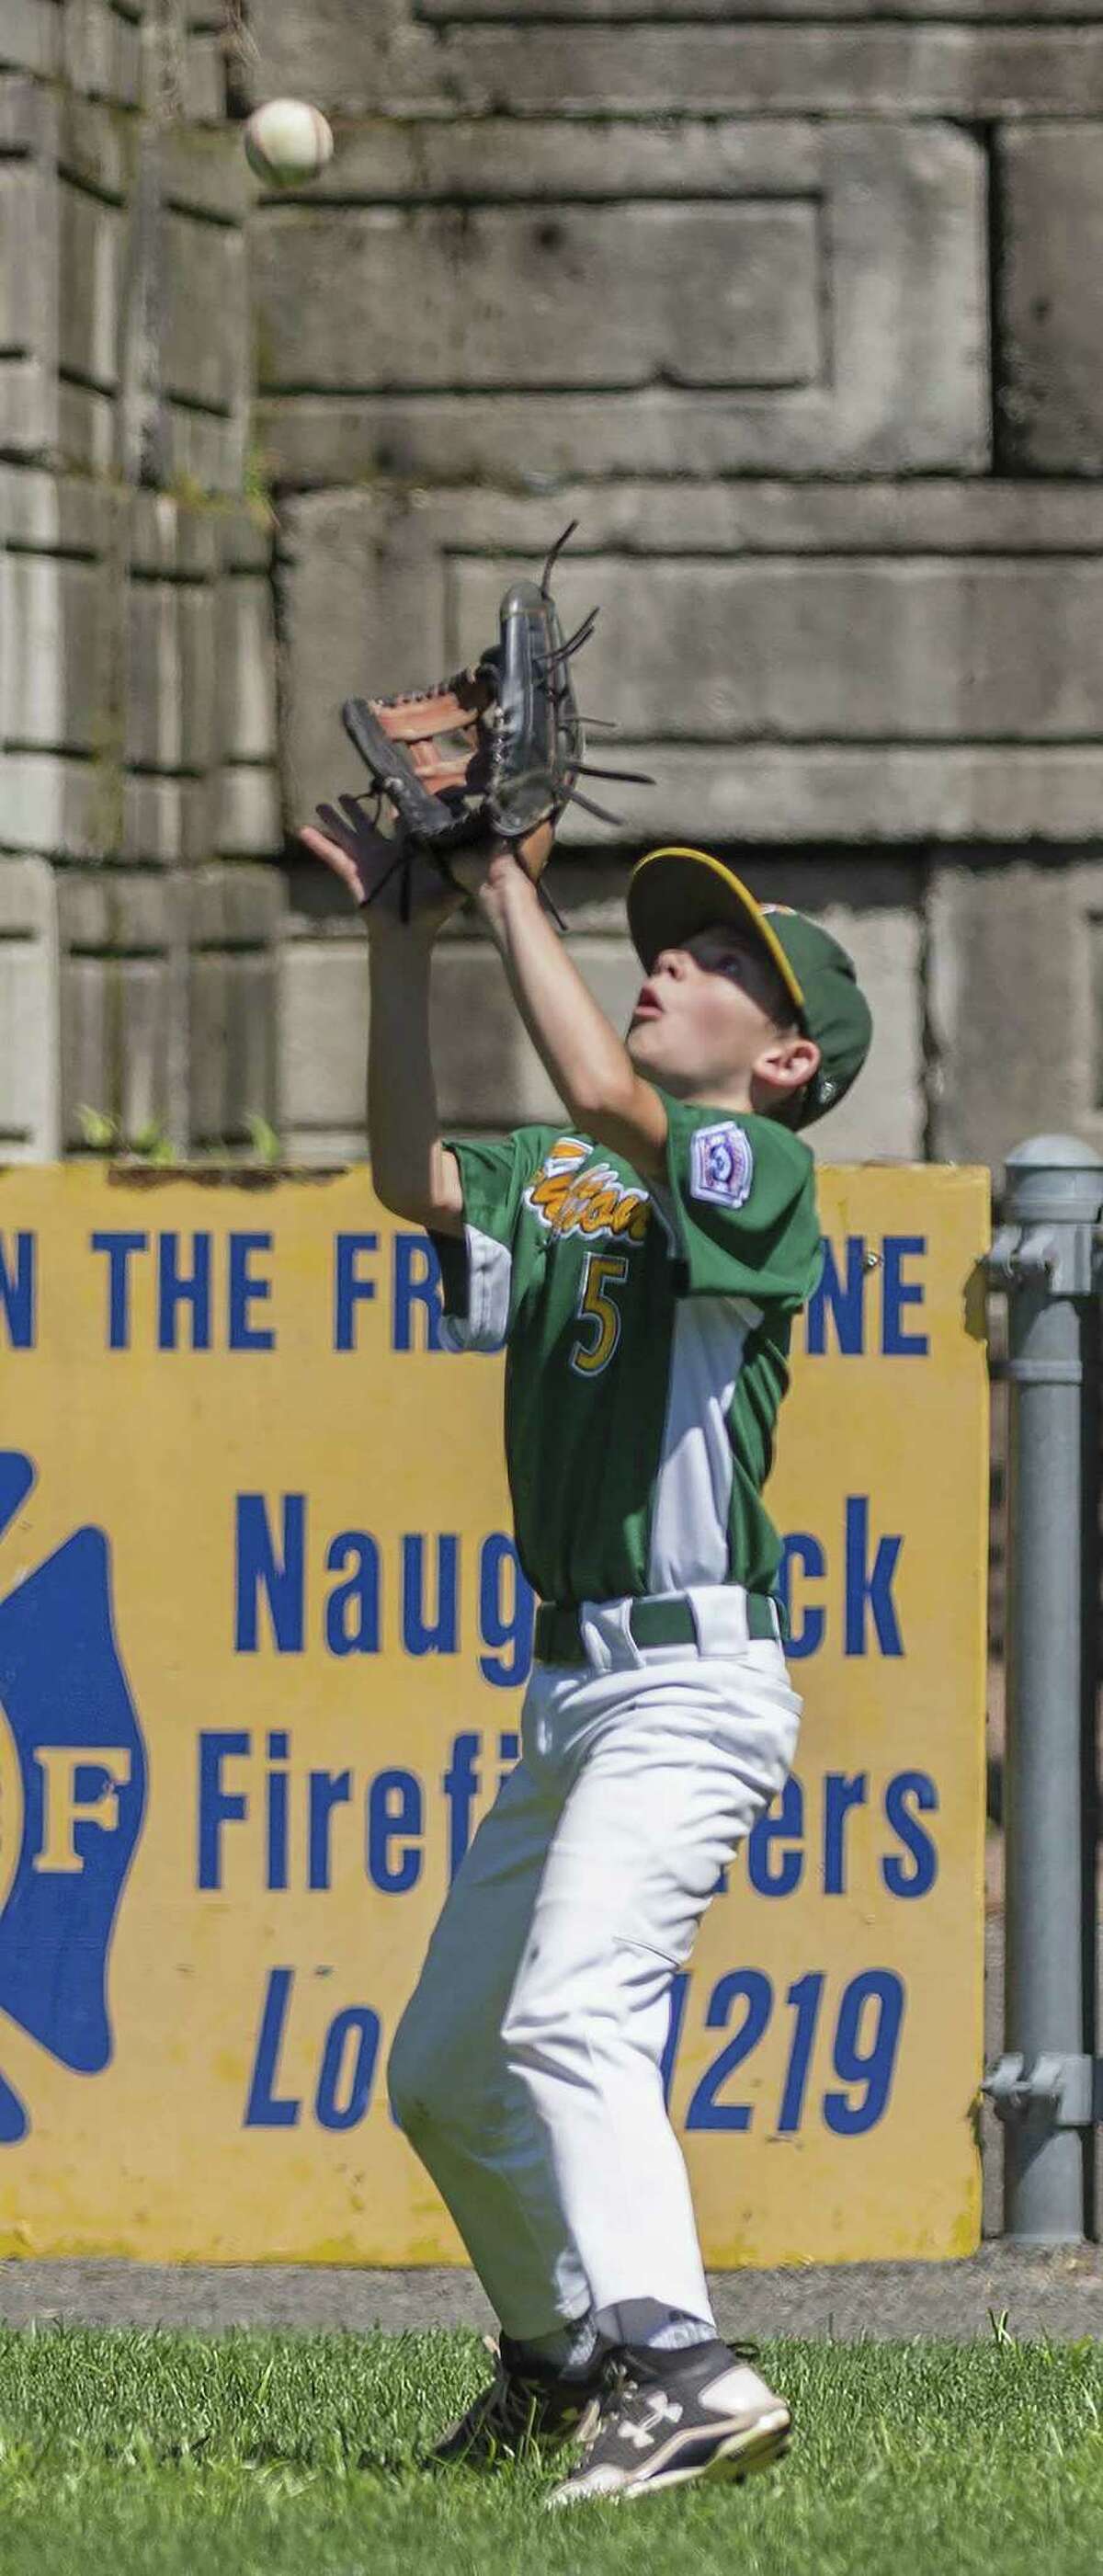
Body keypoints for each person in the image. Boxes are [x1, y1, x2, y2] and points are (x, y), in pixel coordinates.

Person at [300, 809, 872, 2508]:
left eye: (720, 959)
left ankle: (684, 2371)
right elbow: (413, 1179)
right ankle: (558, 2362)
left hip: (692, 1684)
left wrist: (501, 880)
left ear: (785, 1056)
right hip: (569, 1696)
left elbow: (618, 1103)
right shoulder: (574, 1172)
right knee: (442, 2073)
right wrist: (402, 941)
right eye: (668, 942)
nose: (669, 959)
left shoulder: (758, 1166)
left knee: (572, 2011)